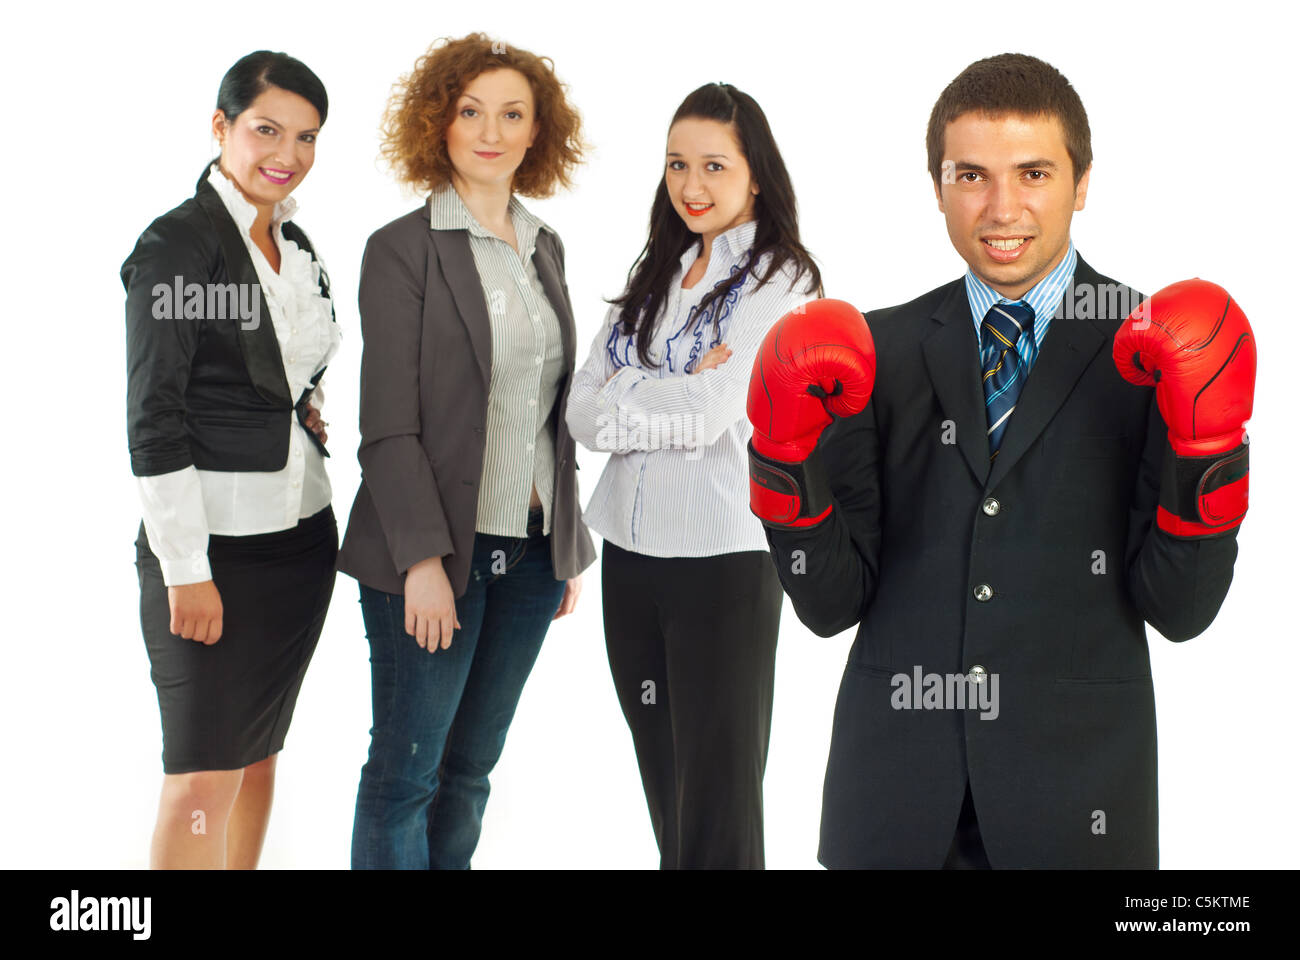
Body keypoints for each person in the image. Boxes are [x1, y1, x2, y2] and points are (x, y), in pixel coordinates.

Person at [745, 52, 1253, 868]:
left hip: (1078, 798)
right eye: (972, 175)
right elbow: (830, 604)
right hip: (894, 799)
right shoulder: (875, 349)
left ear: (1082, 182)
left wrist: (1209, 448)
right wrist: (782, 461)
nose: (1002, 207)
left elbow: (1181, 612)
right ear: (938, 185)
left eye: (1035, 173)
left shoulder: (1155, 349)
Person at [337, 33, 596, 870]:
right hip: (437, 550)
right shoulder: (401, 249)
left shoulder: (543, 244)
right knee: (405, 777)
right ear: (438, 124)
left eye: (512, 114)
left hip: (530, 558)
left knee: (471, 770)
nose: (491, 131)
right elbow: (388, 426)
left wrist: (563, 545)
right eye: (471, 111)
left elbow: (549, 407)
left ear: (536, 133)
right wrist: (422, 561)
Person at [566, 83, 822, 869]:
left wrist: (629, 386)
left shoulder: (784, 284)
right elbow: (579, 413)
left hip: (724, 566)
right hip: (633, 561)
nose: (692, 185)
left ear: (756, 174)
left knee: (716, 799)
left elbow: (713, 414)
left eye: (714, 165)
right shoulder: (658, 272)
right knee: (666, 783)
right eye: (678, 164)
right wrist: (659, 394)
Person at [123, 50, 339, 870]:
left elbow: (279, 369)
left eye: (308, 136)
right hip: (216, 553)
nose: (287, 153)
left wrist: (300, 409)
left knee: (256, 759)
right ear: (221, 127)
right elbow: (154, 416)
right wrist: (184, 567)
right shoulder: (180, 246)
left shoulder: (291, 237)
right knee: (200, 783)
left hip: (300, 539)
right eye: (266, 130)